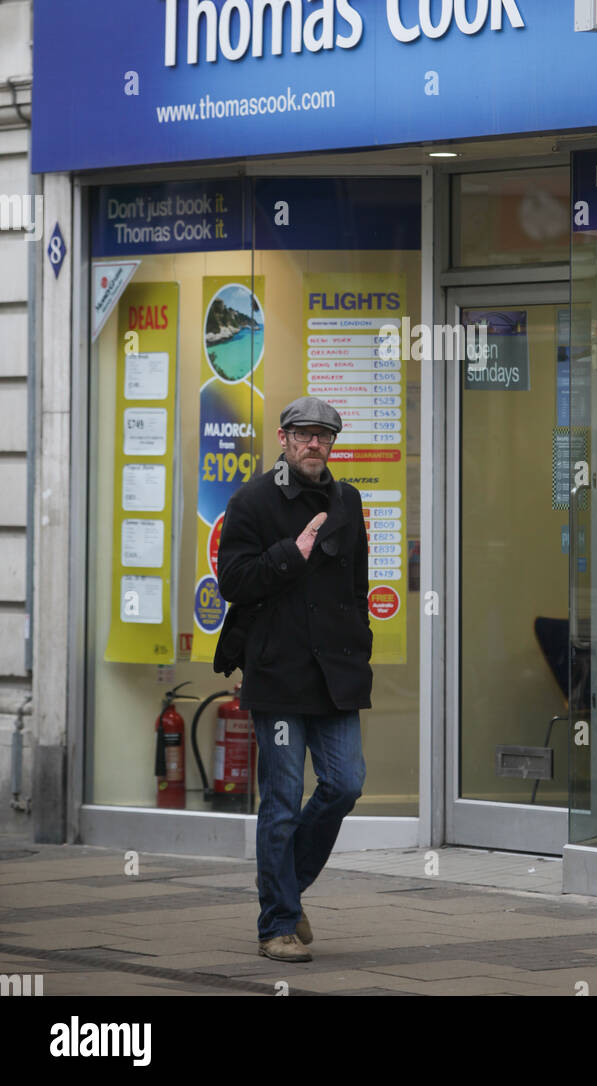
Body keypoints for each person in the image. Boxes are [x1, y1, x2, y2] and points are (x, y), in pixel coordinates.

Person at [215, 396, 372, 963]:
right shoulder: (252, 501)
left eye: (324, 436)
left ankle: (287, 889)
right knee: (282, 799)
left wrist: (360, 649)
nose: (314, 444)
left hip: (336, 679)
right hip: (278, 679)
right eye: (304, 435)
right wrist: (293, 552)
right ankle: (277, 923)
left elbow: (358, 587)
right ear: (283, 438)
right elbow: (233, 581)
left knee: (345, 784)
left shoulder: (347, 501)